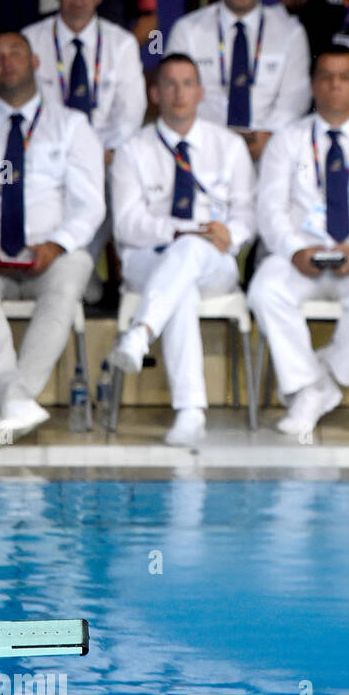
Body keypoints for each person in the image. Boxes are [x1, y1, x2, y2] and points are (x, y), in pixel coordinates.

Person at [247, 45, 349, 439]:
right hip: (300, 252)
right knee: (264, 291)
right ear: (313, 83)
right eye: (326, 76)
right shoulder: (288, 140)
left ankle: (319, 383)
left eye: (345, 77)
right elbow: (269, 208)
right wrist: (292, 249)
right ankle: (309, 386)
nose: (335, 85)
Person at [107, 54, 255, 446]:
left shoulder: (230, 146)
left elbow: (248, 216)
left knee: (190, 256)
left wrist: (230, 234)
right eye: (169, 84)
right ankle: (190, 413)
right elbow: (126, 225)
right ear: (154, 94)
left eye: (187, 83)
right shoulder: (132, 150)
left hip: (215, 262)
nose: (178, 92)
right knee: (181, 283)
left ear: (201, 92)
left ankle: (141, 333)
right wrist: (184, 231)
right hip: (146, 258)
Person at [0, 32, 105, 446]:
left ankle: (14, 402)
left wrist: (56, 245)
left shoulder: (71, 125)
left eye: (15, 53)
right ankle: (16, 404)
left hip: (52, 252)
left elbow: (90, 206)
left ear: (35, 63)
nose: (6, 62)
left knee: (72, 275)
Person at [23, 0, 147, 295]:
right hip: (45, 156)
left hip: (105, 154)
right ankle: (69, 275)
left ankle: (83, 272)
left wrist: (97, 154)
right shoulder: (29, 41)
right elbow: (22, 108)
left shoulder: (121, 43)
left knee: (121, 182)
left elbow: (131, 112)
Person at [165, 0, 311, 162]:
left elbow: (295, 98)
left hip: (270, 151)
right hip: (204, 151)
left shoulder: (290, 33)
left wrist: (267, 137)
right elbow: (176, 95)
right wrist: (215, 141)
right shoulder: (187, 30)